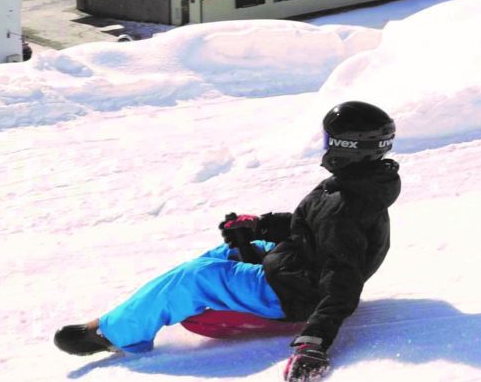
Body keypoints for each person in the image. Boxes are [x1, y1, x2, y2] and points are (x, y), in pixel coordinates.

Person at [54, 101, 402, 381]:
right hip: (296, 265)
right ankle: (133, 314)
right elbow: (308, 226)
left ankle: (117, 334)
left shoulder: (347, 205)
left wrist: (314, 342)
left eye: (330, 140)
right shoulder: (356, 183)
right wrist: (260, 227)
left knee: (196, 275)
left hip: (292, 292)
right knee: (224, 254)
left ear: (347, 147)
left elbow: (342, 279)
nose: (325, 146)